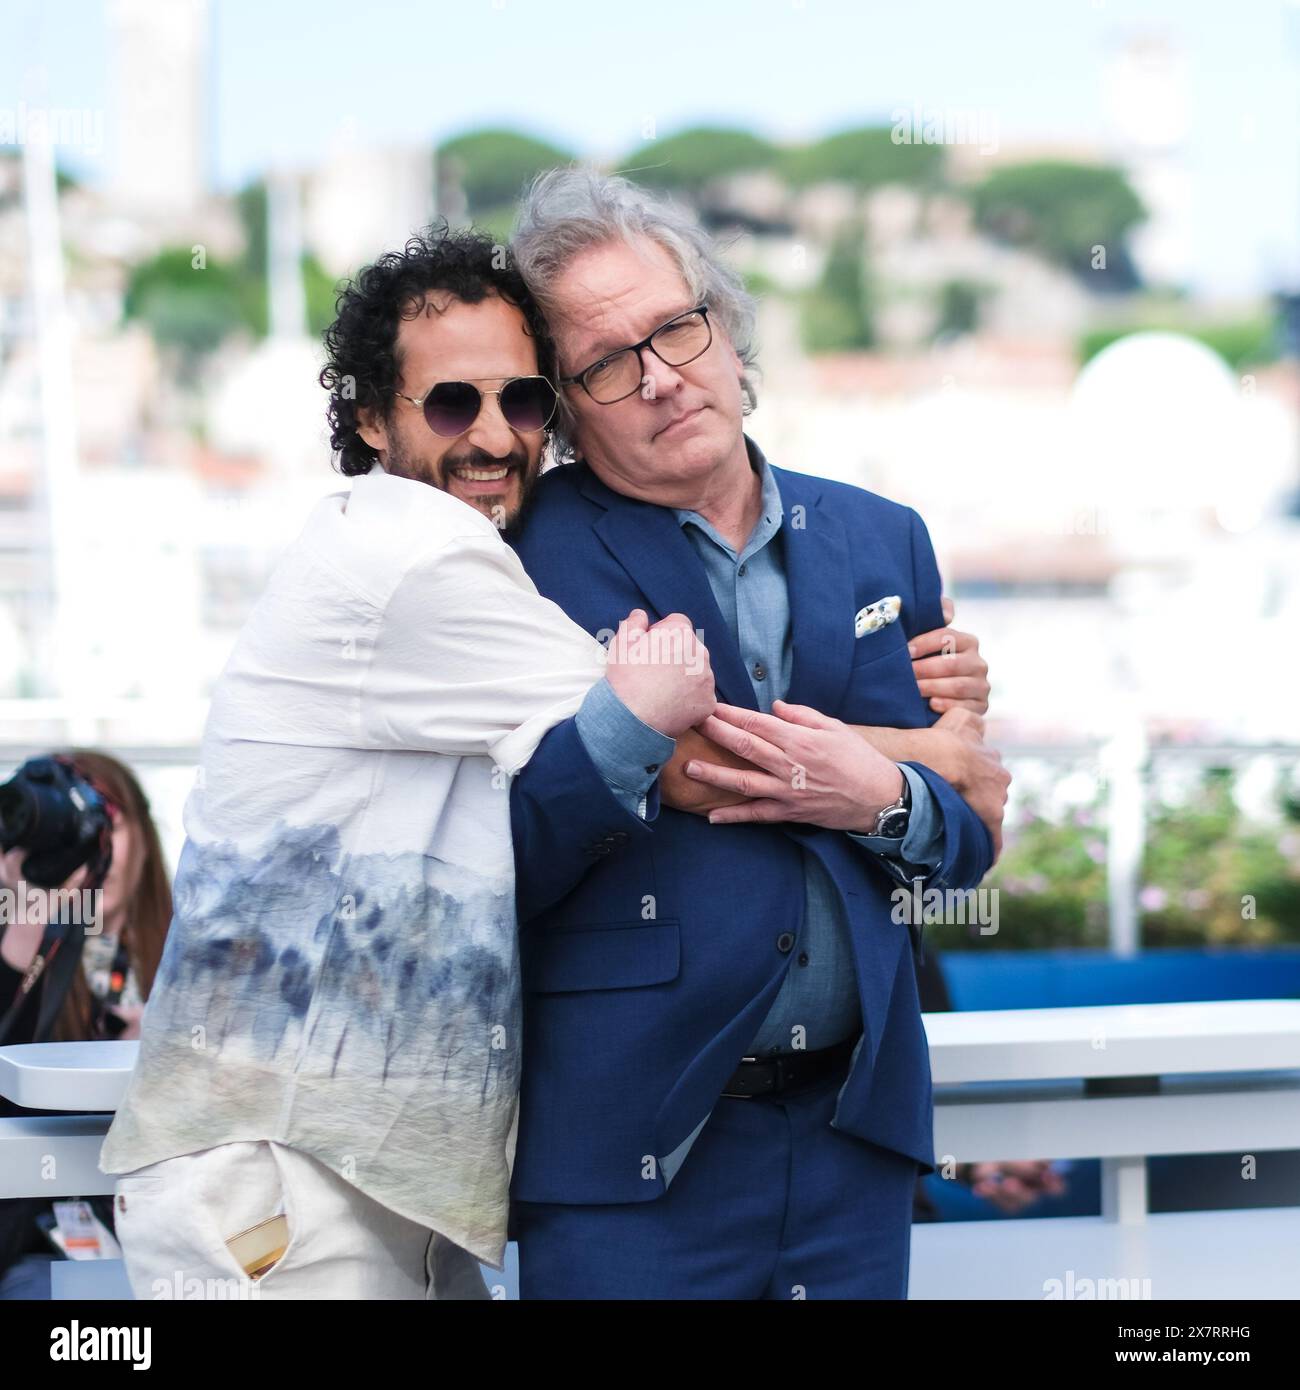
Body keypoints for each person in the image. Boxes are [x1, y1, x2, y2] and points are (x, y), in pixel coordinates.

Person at [98, 226, 714, 1300]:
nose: (492, 436)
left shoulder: (397, 543)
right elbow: (687, 748)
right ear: (373, 418)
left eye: (523, 403)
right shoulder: (414, 556)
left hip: (350, 1181)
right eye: (450, 403)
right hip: (285, 1185)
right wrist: (928, 760)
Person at [502, 168, 1011, 1298]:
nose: (658, 378)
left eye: (676, 330)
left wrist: (880, 795)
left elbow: (971, 832)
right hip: (630, 1159)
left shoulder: (886, 538)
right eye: (604, 362)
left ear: (725, 330)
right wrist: (903, 755)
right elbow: (501, 845)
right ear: (568, 405)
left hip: (852, 1139)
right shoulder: (523, 556)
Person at [0, 750, 171, 1299]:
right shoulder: (19, 948)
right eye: (63, 834)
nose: (83, 850)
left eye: (101, 824)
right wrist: (20, 948)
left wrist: (172, 1049)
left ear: (141, 831)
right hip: (44, 1247)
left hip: (180, 1232)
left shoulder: (199, 958)